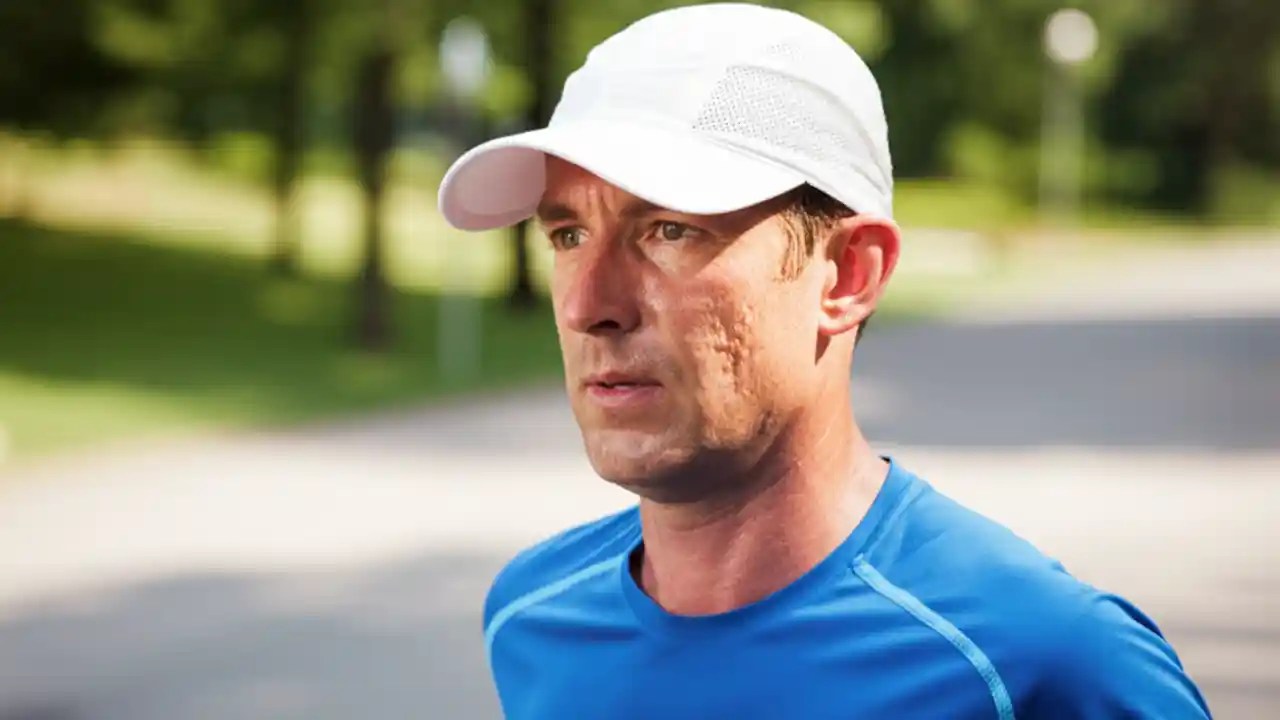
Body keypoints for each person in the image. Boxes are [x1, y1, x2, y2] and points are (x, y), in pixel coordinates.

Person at [437, 4, 1211, 718]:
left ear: (847, 275)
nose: (588, 306)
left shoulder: (1039, 664)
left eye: (670, 230)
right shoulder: (532, 617)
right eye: (568, 236)